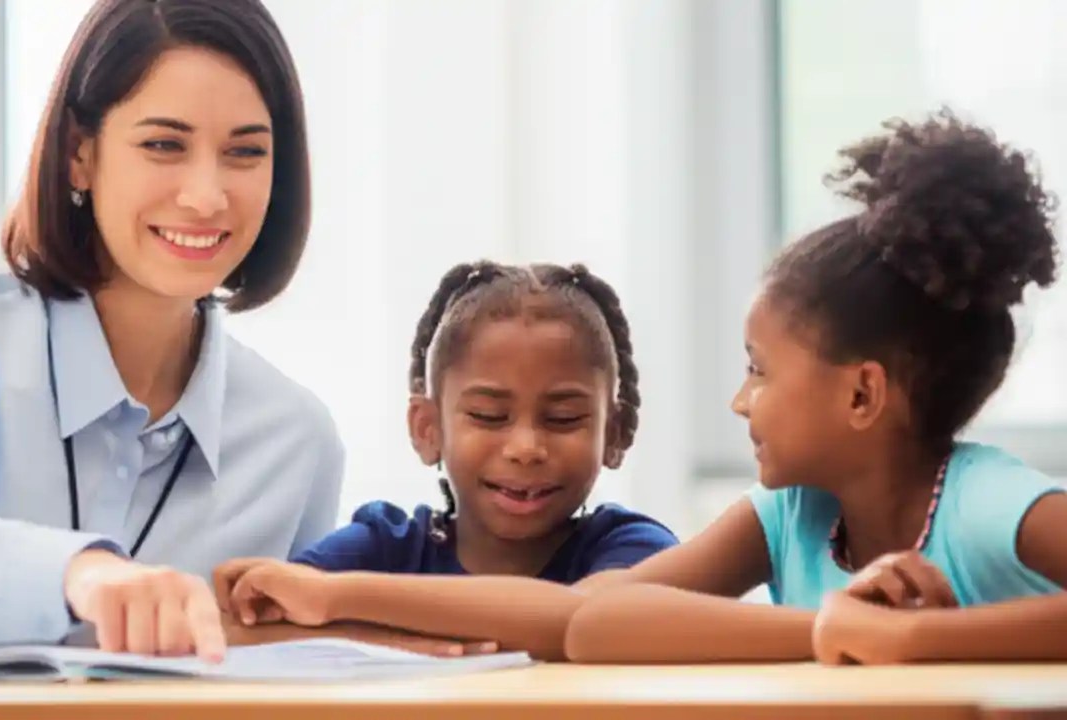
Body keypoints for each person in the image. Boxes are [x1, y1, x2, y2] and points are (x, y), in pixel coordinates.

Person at [0, 0, 344, 671]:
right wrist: (84, 575)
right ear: (80, 154)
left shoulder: (296, 441)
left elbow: (290, 674)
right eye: (164, 145)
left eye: (245, 152)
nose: (207, 195)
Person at [565, 109, 1067, 664]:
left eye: (759, 370)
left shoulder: (987, 504)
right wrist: (830, 627)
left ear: (861, 396)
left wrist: (910, 638)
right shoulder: (792, 513)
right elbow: (596, 624)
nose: (739, 401)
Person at [216, 261, 677, 658]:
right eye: (488, 416)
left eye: (563, 418)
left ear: (613, 432)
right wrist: (357, 632)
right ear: (427, 428)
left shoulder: (632, 549)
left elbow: (584, 619)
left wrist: (338, 598)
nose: (525, 448)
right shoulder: (383, 546)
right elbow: (234, 626)